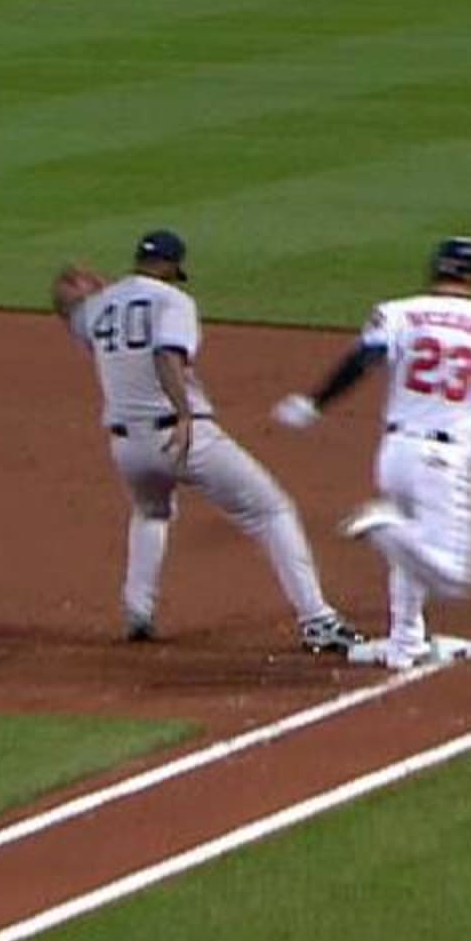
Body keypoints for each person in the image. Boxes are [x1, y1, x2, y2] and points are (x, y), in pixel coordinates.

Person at [52, 231, 366, 656]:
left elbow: (69, 309)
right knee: (272, 510)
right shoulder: (174, 301)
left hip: (128, 447)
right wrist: (183, 413)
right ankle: (318, 620)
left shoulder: (98, 307)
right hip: (183, 436)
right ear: (169, 265)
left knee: (151, 512)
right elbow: (166, 355)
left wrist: (74, 291)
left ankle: (138, 612)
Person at [272, 238, 471, 671]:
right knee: (453, 578)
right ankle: (380, 527)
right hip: (443, 459)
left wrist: (315, 403)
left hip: (395, 452)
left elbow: (364, 359)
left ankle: (405, 643)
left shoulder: (399, 312)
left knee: (411, 554)